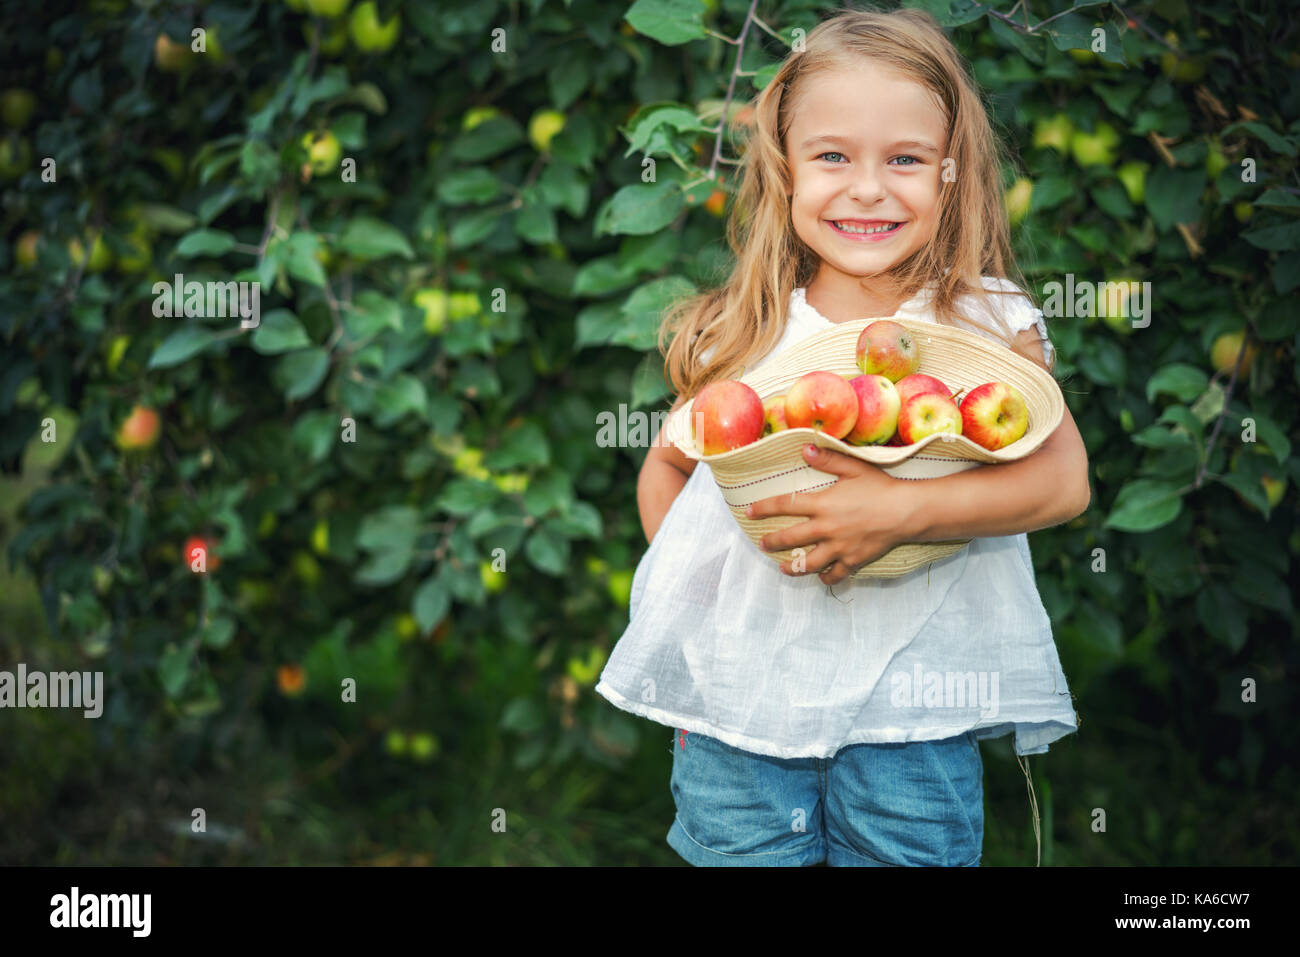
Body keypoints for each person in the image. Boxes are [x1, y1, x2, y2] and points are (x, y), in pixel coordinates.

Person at [594, 7, 1091, 867]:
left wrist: (899, 512)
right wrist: (698, 602)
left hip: (914, 708)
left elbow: (1062, 483)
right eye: (833, 156)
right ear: (785, 172)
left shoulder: (981, 324)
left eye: (903, 159)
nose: (868, 188)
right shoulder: (744, 333)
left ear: (950, 173)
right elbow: (668, 469)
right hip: (741, 712)